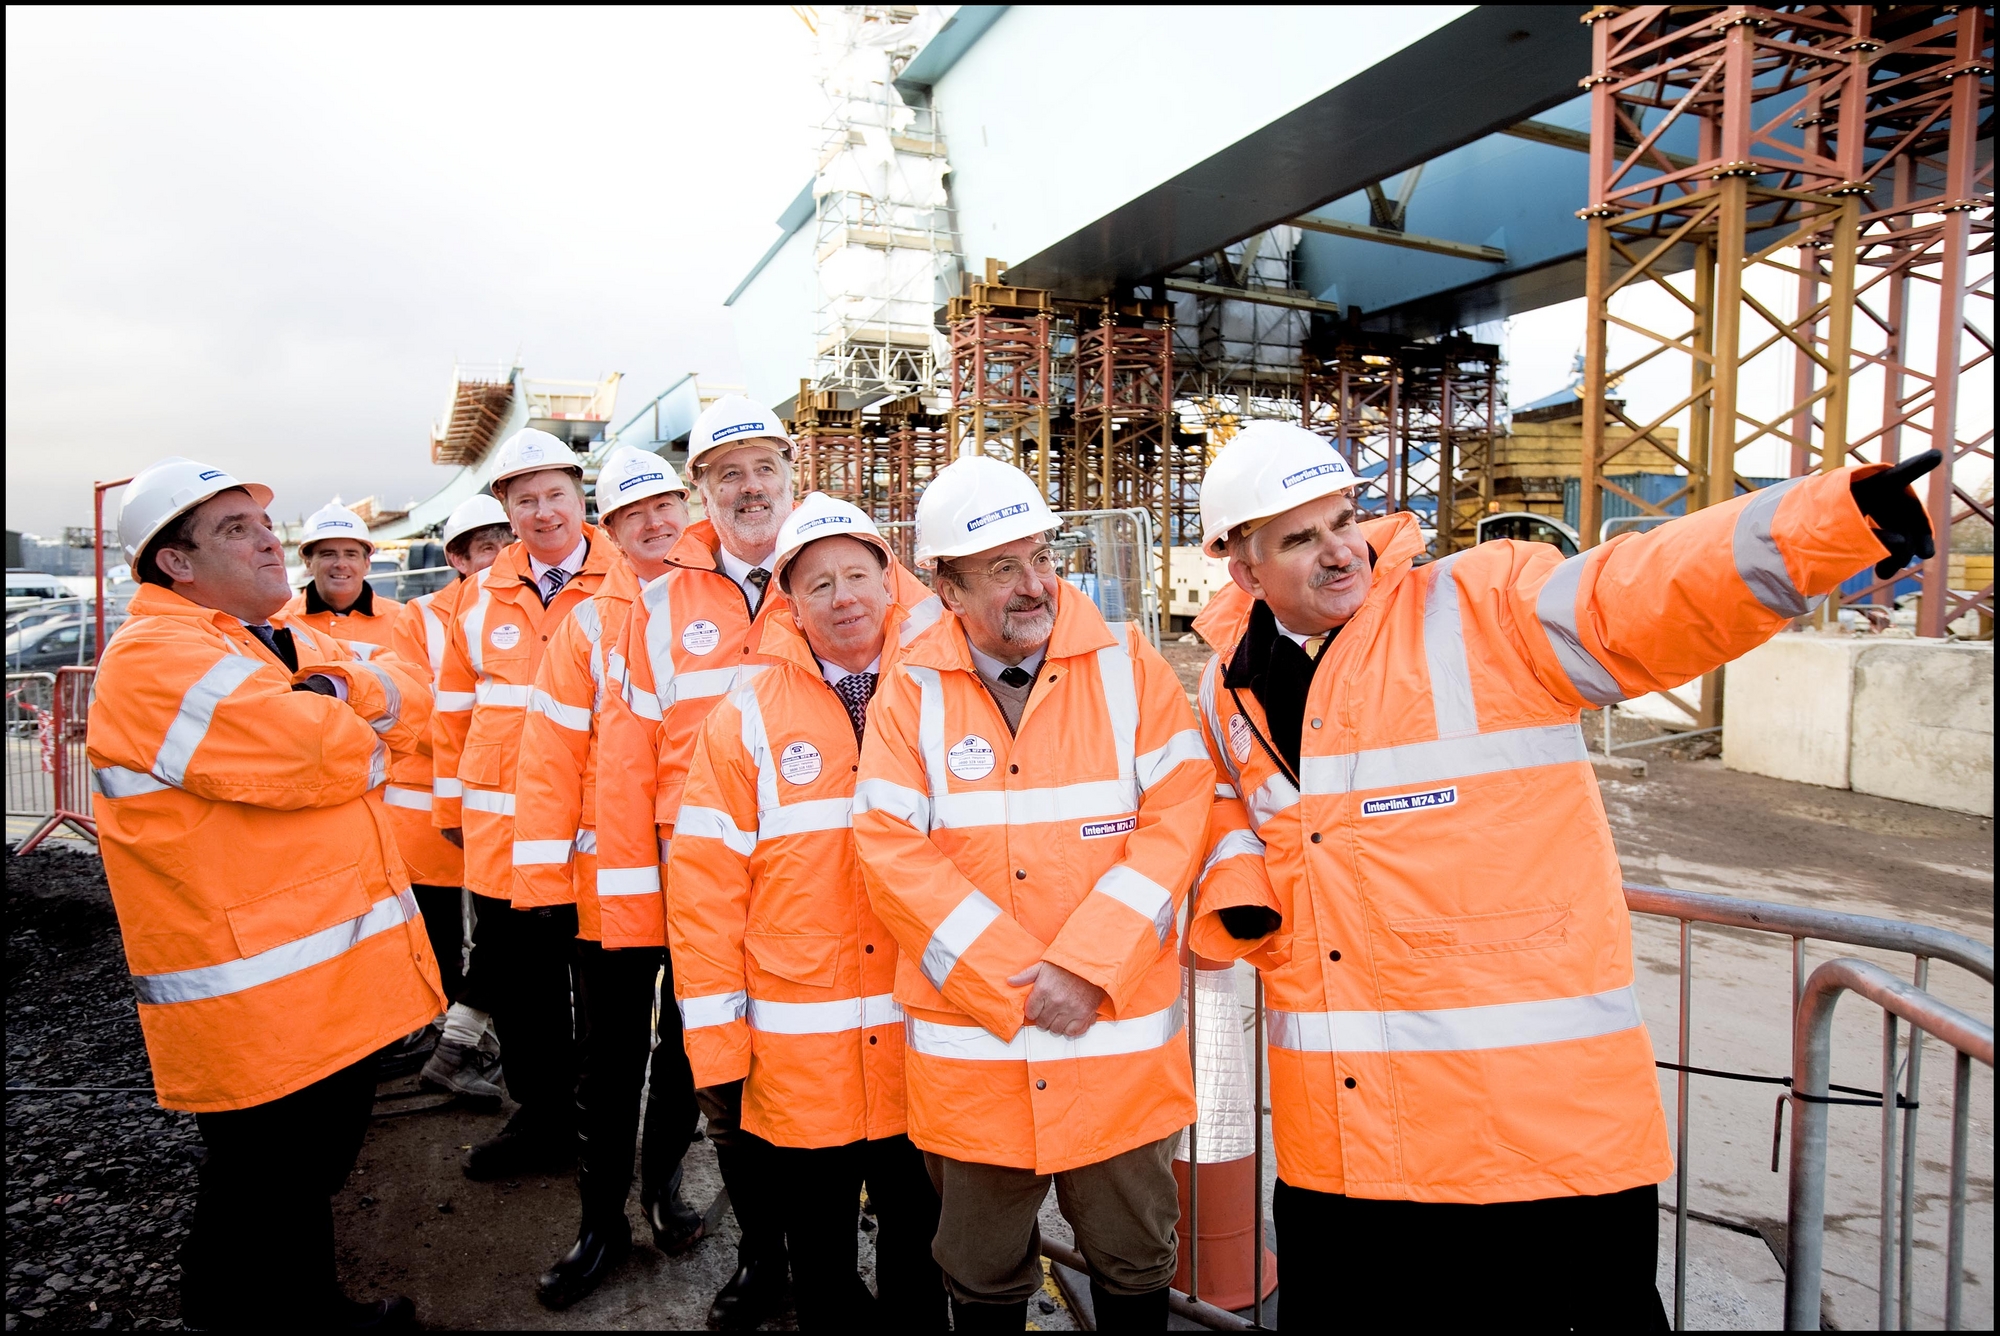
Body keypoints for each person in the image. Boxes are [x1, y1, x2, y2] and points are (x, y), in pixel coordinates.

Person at [1183, 421, 1945, 1329]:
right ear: (1243, 568)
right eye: (1300, 538)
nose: (1341, 550)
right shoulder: (1227, 684)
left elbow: (1645, 590)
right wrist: (1237, 894)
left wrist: (1833, 521)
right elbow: (1234, 815)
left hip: (1534, 1138)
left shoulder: (1482, 606)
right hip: (1346, 1143)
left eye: (1345, 518)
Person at [853, 455, 1212, 1332]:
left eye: (1041, 558)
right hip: (978, 1062)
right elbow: (888, 848)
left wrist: (1087, 968)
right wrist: (1018, 983)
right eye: (1002, 568)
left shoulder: (1131, 668)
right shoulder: (910, 693)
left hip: (1116, 1055)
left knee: (1135, 1262)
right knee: (981, 1277)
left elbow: (1181, 817)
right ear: (945, 585)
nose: (1034, 586)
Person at [87, 456, 444, 1330]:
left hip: (318, 982)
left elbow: (417, 701)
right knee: (266, 1179)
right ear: (175, 562)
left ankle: (294, 1307)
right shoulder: (156, 657)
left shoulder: (274, 641)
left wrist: (336, 689)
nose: (266, 543)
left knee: (299, 1177)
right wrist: (350, 709)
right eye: (234, 530)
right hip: (250, 988)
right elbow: (328, 756)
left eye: (260, 522)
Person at [670, 494, 946, 1329]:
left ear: (888, 581)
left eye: (858, 575)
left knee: (920, 1250)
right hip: (802, 1056)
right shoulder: (746, 716)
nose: (844, 598)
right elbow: (704, 888)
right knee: (819, 1262)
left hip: (919, 1039)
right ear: (789, 600)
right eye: (819, 584)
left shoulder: (944, 692)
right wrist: (717, 1044)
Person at [594, 394, 803, 1328]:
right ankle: (765, 1260)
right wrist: (638, 911)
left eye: (763, 468)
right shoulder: (659, 603)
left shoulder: (852, 571)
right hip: (706, 883)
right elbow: (627, 761)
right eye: (728, 474)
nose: (749, 488)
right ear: (701, 493)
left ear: (792, 475)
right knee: (722, 1070)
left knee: (840, 1064)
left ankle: (831, 1258)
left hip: (828, 878)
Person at [515, 446, 707, 1307]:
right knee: (608, 1061)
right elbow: (547, 760)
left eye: (666, 506)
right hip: (610, 889)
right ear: (614, 528)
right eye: (635, 515)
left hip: (705, 880)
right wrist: (545, 887)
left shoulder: (733, 601)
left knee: (688, 1053)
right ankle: (601, 1222)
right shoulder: (588, 621)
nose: (655, 524)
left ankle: (663, 1190)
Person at [432, 428, 621, 1179]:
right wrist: (452, 810)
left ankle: (603, 1128)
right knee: (523, 992)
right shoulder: (477, 596)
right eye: (525, 499)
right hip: (504, 831)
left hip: (601, 831)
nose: (544, 512)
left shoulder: (631, 579)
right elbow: (452, 709)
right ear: (505, 509)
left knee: (605, 991)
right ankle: (540, 1120)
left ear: (582, 498)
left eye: (556, 495)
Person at [404, 494, 511, 1101]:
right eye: (486, 546)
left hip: (516, 807)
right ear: (458, 558)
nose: (500, 554)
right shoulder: (424, 617)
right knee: (460, 938)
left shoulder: (521, 603)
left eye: (506, 541)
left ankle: (460, 1042)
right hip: (454, 808)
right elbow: (429, 716)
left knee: (506, 935)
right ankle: (454, 1041)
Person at [278, 500, 401, 660]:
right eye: (328, 554)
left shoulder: (402, 621)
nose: (341, 564)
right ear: (308, 563)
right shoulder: (280, 622)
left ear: (366, 563)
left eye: (351, 554)